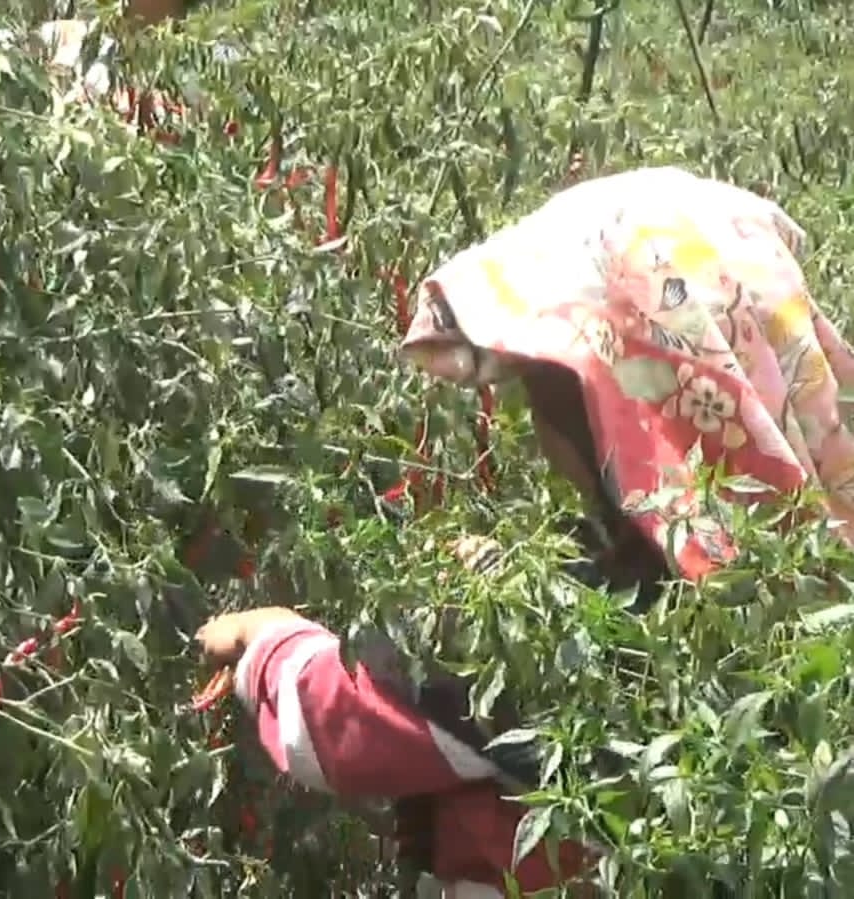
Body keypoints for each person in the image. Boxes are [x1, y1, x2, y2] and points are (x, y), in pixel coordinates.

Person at [196, 166, 854, 895]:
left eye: (547, 391)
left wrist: (272, 641)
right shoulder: (820, 582)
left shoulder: (545, 628)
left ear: (606, 406)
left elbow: (334, 727)